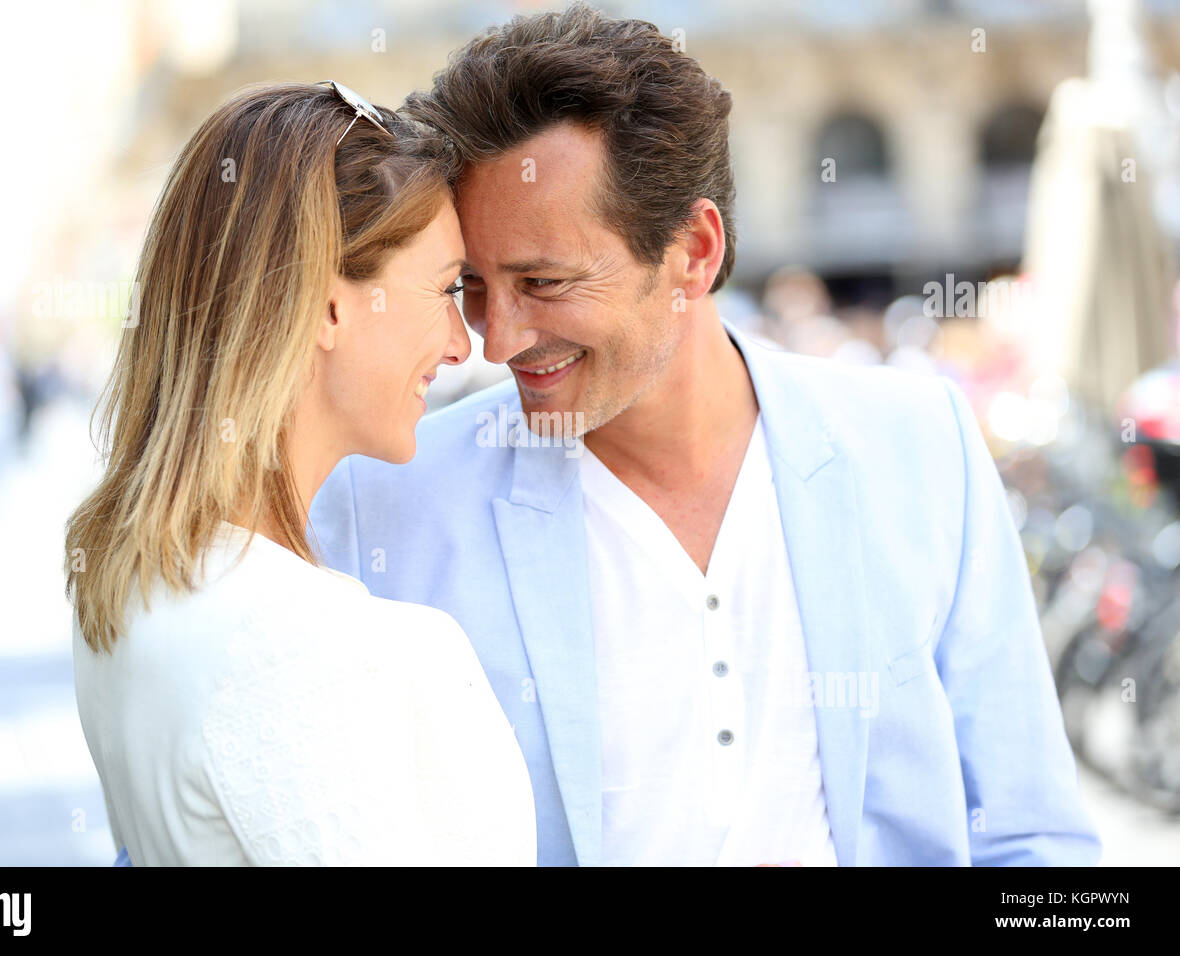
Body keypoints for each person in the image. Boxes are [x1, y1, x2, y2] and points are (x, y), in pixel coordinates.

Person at [306, 5, 1101, 865]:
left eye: (543, 280)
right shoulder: (383, 504)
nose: (496, 340)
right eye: (472, 288)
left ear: (693, 248)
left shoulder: (919, 447)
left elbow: (1033, 839)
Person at [68, 82, 535, 865]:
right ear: (326, 306)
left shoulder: (134, 577)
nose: (467, 345)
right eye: (447, 289)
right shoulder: (298, 642)